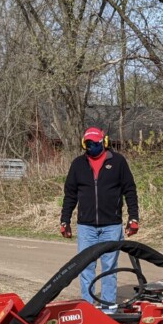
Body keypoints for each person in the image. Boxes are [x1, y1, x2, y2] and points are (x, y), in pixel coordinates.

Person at [60, 126, 140, 308]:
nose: (91, 148)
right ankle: (88, 307)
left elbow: (130, 190)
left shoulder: (118, 162)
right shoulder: (78, 164)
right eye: (88, 144)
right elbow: (70, 195)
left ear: (103, 142)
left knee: (109, 269)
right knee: (86, 268)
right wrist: (65, 220)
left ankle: (108, 306)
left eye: (94, 144)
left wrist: (133, 218)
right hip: (86, 227)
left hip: (111, 226)